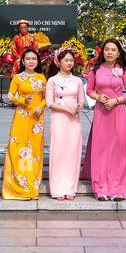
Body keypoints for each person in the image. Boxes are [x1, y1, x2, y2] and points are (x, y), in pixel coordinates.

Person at [81, 38, 126, 201]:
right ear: (102, 52)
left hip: (118, 112)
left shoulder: (124, 70)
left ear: (119, 53)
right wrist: (98, 96)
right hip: (101, 113)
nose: (109, 52)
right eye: (107, 49)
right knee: (101, 150)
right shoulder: (95, 70)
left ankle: (117, 187)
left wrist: (116, 100)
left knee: (118, 150)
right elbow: (89, 90)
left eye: (113, 50)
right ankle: (101, 188)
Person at [2, 47, 48, 200]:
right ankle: (19, 188)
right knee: (19, 149)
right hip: (21, 117)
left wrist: (39, 107)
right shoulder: (17, 78)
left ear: (37, 61)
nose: (31, 61)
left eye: (34, 59)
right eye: (28, 59)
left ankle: (32, 188)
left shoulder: (41, 78)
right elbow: (10, 95)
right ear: (22, 61)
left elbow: (46, 98)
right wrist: (22, 100)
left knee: (34, 152)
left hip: (36, 119)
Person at [45, 48, 86, 200]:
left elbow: (82, 101)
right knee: (59, 153)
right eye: (66, 60)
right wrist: (66, 109)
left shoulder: (78, 81)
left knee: (72, 153)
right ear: (58, 61)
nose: (69, 63)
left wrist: (78, 107)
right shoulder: (52, 80)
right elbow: (49, 103)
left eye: (71, 60)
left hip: (74, 121)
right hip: (59, 120)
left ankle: (70, 188)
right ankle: (57, 188)